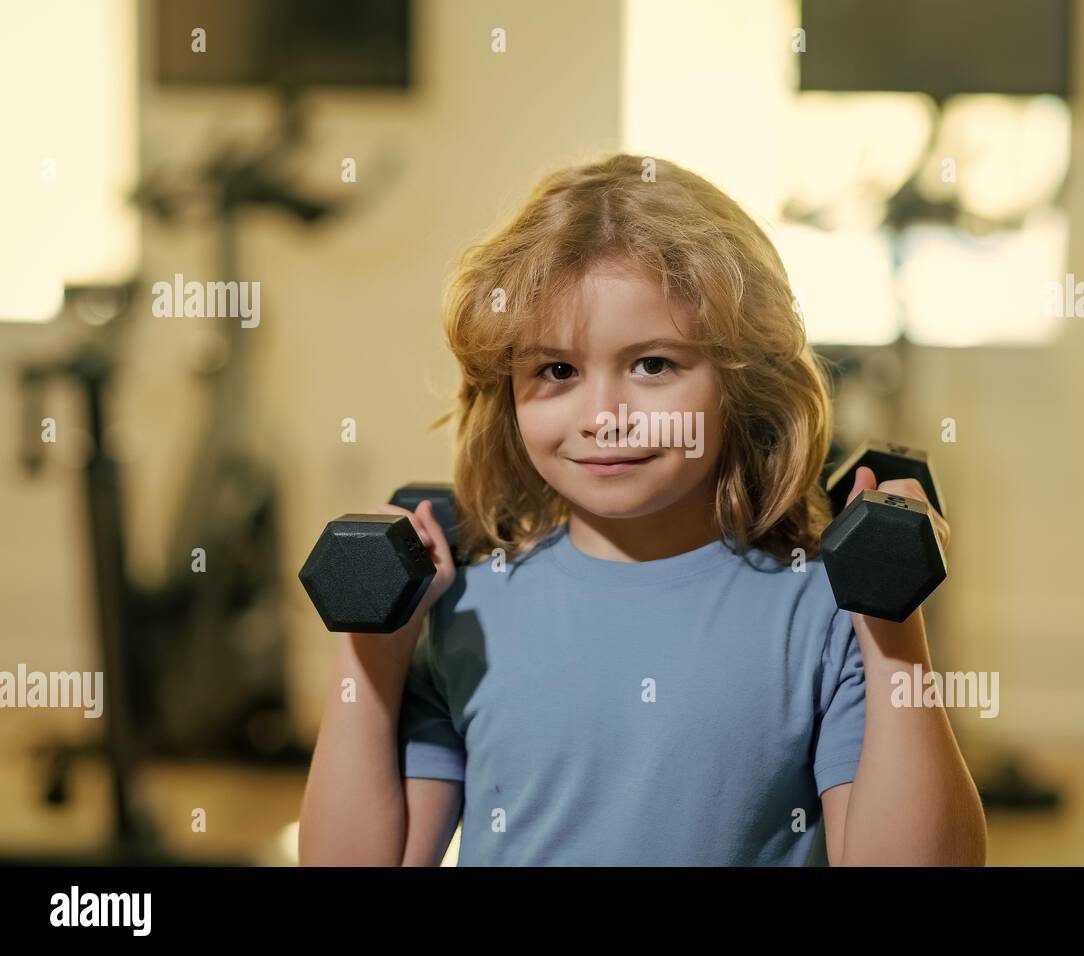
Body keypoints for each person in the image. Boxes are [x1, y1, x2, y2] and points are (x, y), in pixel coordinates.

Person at [298, 153, 985, 866]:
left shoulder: (826, 611)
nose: (603, 416)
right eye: (556, 370)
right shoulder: (465, 608)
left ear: (743, 381)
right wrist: (372, 659)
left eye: (653, 365)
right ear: (508, 391)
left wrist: (896, 638)